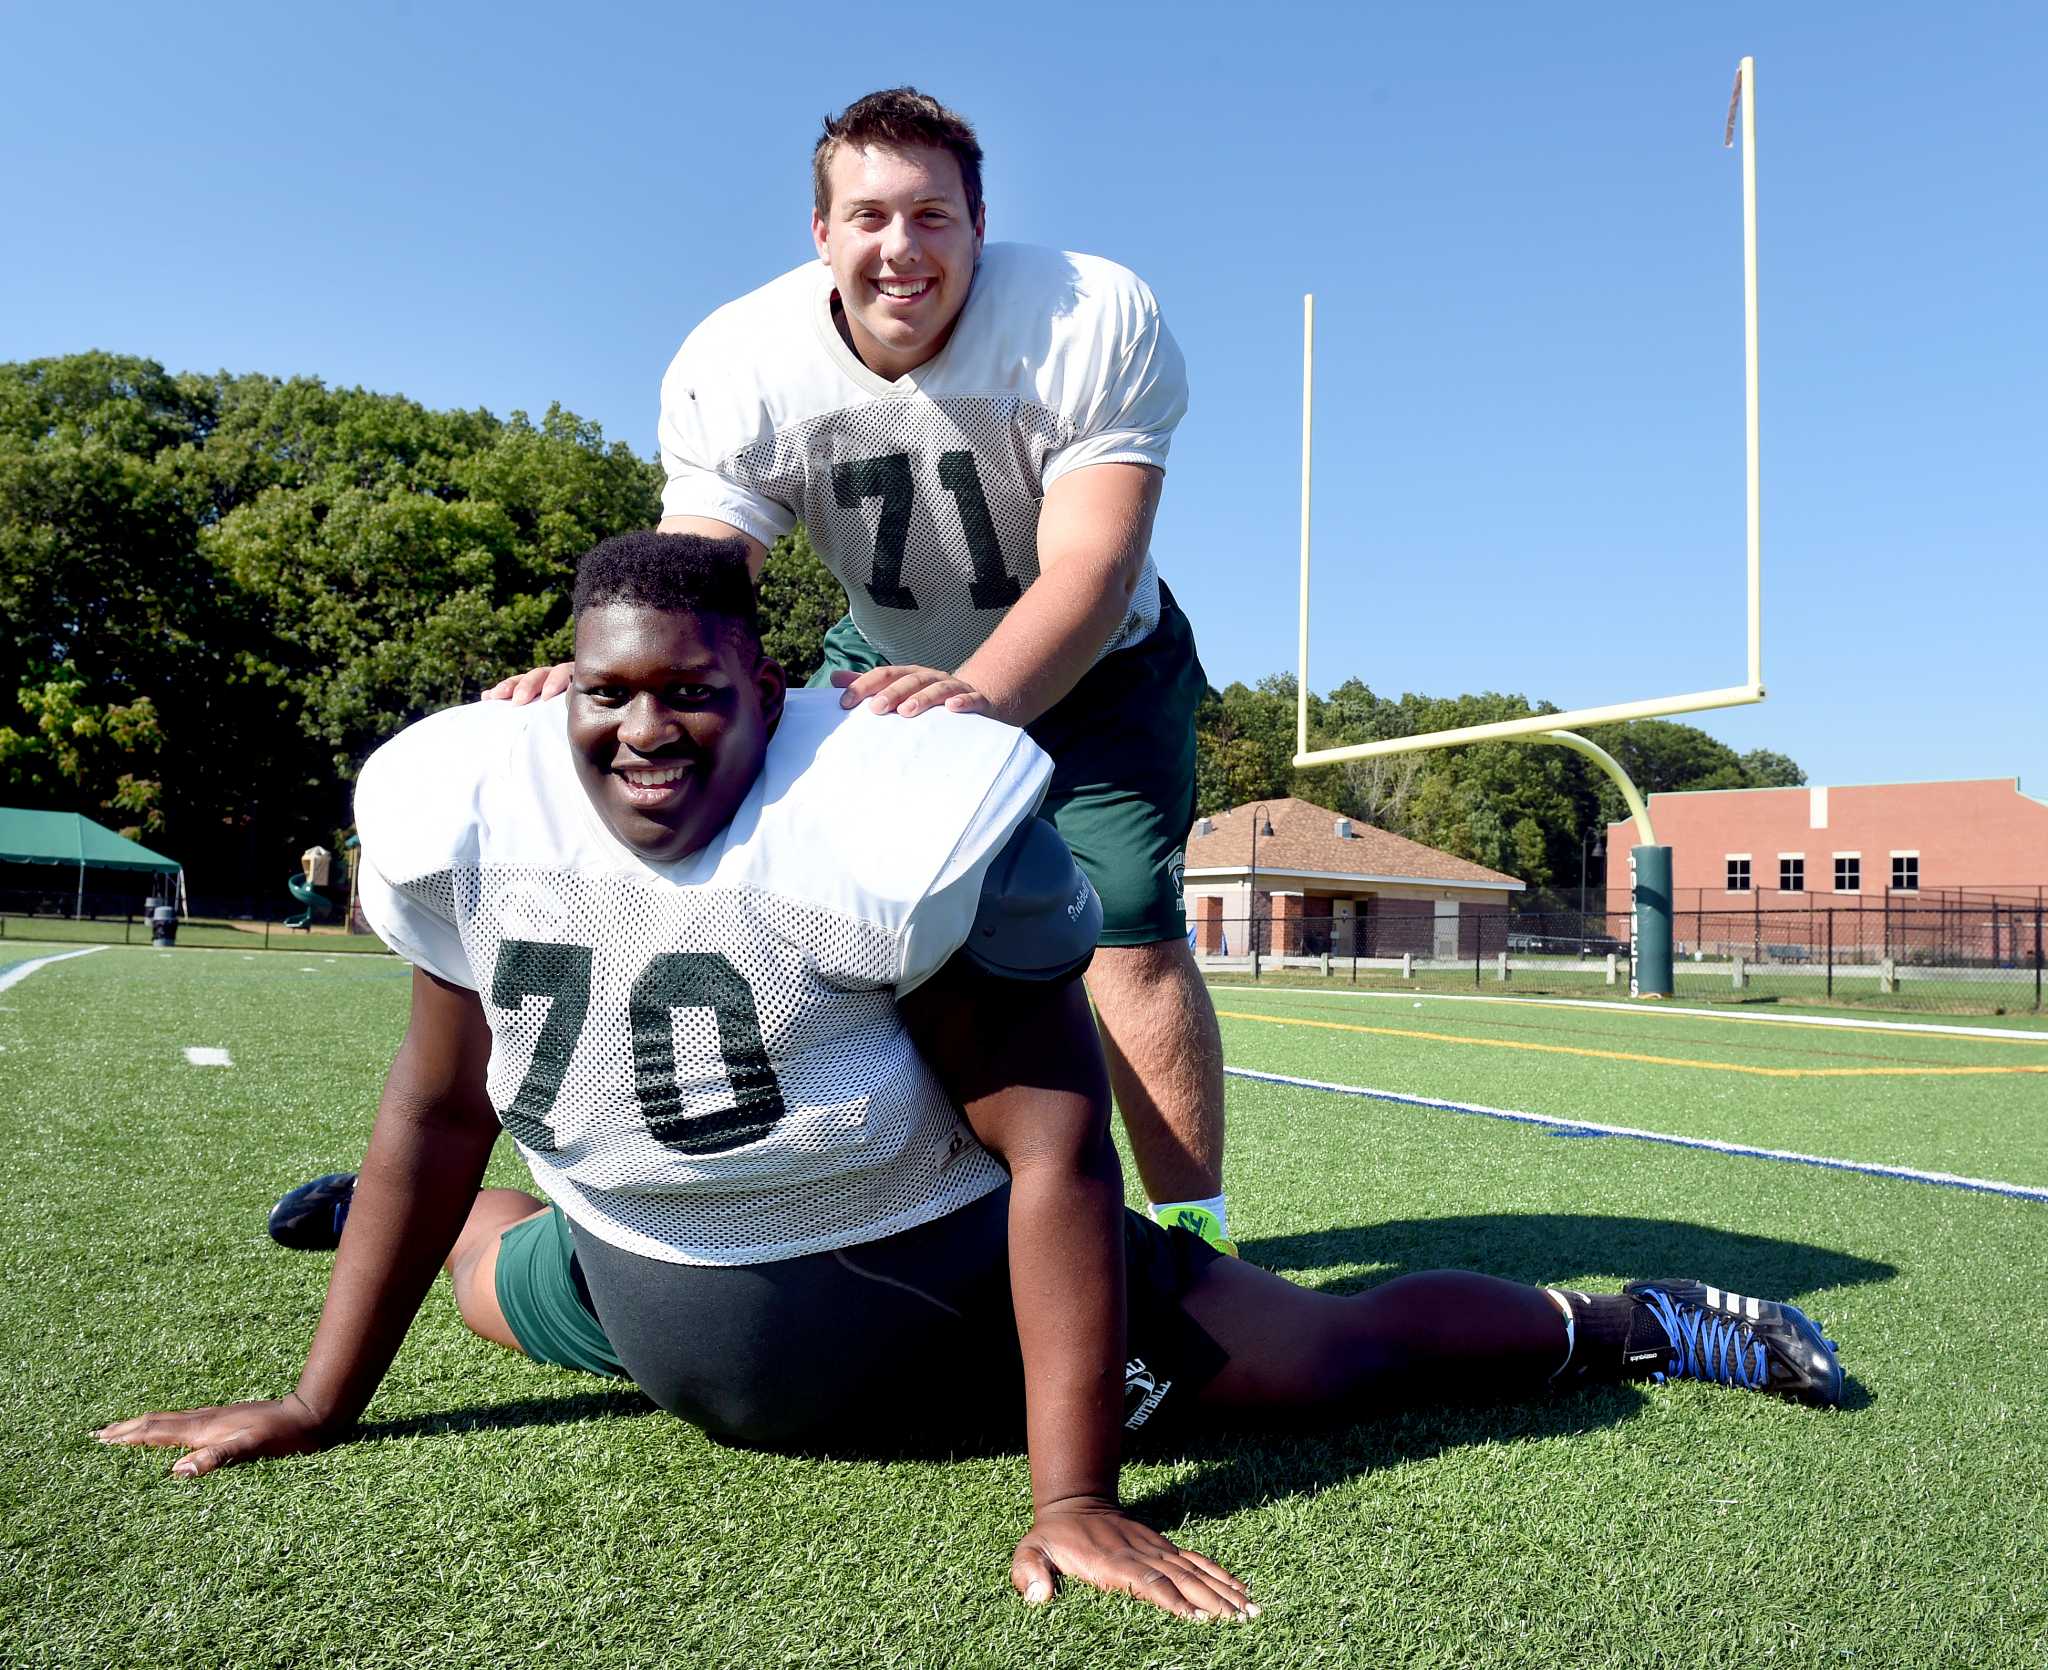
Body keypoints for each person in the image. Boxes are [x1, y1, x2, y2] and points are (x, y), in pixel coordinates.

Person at [101, 534, 1845, 1623]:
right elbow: (436, 1105)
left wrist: (1070, 1493)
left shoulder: (882, 816)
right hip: (643, 1273)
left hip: (930, 1301)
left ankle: (1630, 1321)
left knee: (1330, 1356)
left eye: (691, 692)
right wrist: (319, 1400)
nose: (643, 731)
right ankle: (385, 1232)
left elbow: (1060, 1160)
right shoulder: (479, 807)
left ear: (766, 684)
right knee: (476, 1250)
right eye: (608, 693)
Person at [489, 88, 1232, 1254]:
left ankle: (1195, 1240)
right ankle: (905, 1215)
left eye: (931, 215)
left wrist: (982, 699)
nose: (900, 247)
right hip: (887, 665)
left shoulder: (1084, 315)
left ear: (978, 225)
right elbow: (697, 579)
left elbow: (1091, 564)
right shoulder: (742, 357)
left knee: (1127, 933)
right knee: (833, 921)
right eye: (869, 216)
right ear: (821, 233)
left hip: (1101, 669)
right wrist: (605, 673)